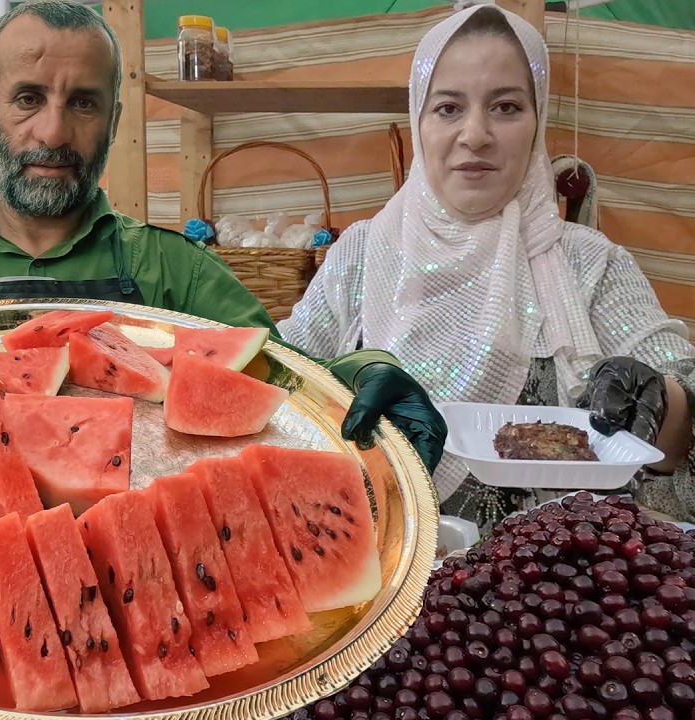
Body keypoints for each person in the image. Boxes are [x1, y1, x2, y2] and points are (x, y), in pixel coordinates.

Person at [0, 0, 448, 474]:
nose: (53, 131)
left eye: (82, 103)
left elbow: (288, 391)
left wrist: (365, 374)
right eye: (28, 98)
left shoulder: (176, 271)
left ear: (113, 122)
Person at [278, 3, 695, 527]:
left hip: (562, 588)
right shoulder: (362, 253)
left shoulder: (593, 264)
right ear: (418, 119)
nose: (475, 134)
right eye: (448, 108)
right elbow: (282, 380)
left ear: (537, 121)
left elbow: (685, 420)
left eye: (506, 107)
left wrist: (662, 400)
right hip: (381, 565)